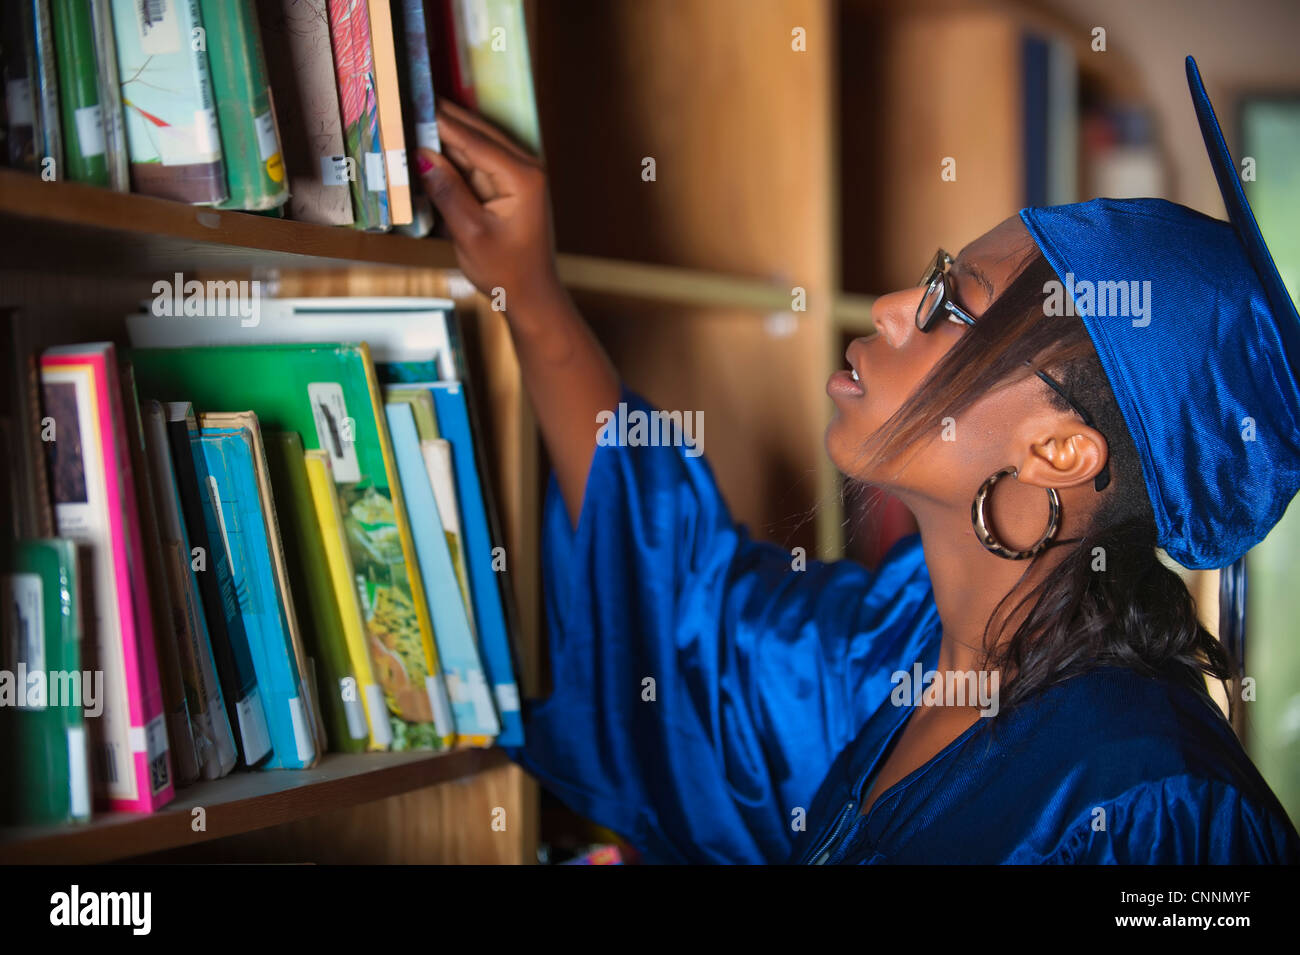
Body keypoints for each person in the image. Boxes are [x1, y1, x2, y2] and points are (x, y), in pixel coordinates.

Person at [415, 57, 1300, 863]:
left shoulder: (1163, 808)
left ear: (1060, 449)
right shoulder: (905, 652)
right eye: (934, 276)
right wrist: (528, 294)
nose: (887, 306)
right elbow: (700, 621)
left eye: (954, 307)